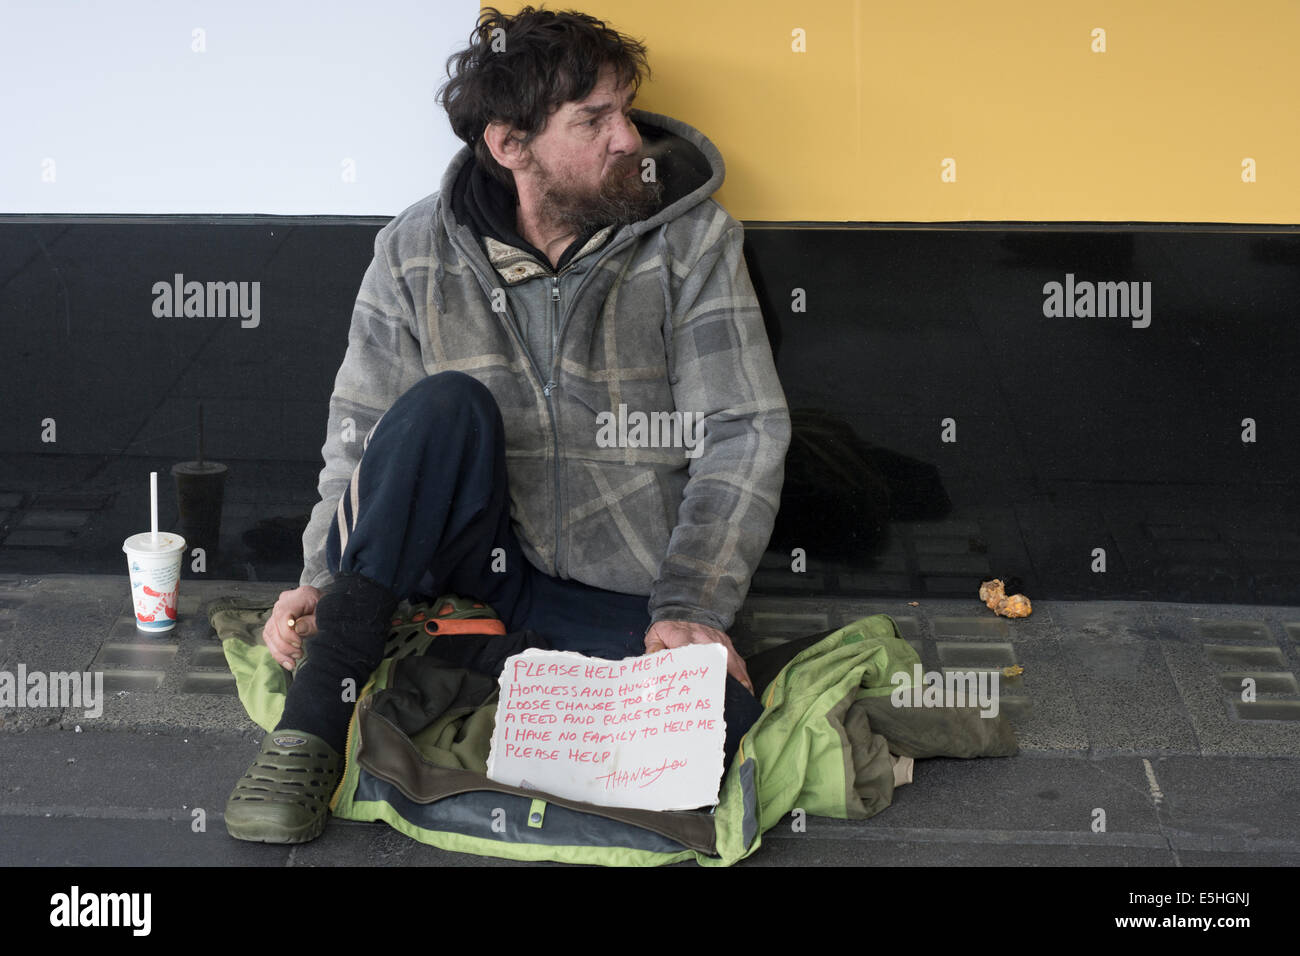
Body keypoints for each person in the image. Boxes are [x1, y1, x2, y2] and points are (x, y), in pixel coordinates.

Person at [225, 5, 790, 844]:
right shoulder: (413, 250)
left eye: (625, 110)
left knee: (725, 714)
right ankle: (314, 720)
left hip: (626, 590)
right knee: (441, 408)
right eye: (593, 120)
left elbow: (743, 431)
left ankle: (469, 664)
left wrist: (693, 606)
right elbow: (361, 436)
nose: (627, 138)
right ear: (509, 144)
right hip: (475, 567)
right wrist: (320, 575)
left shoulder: (692, 243)